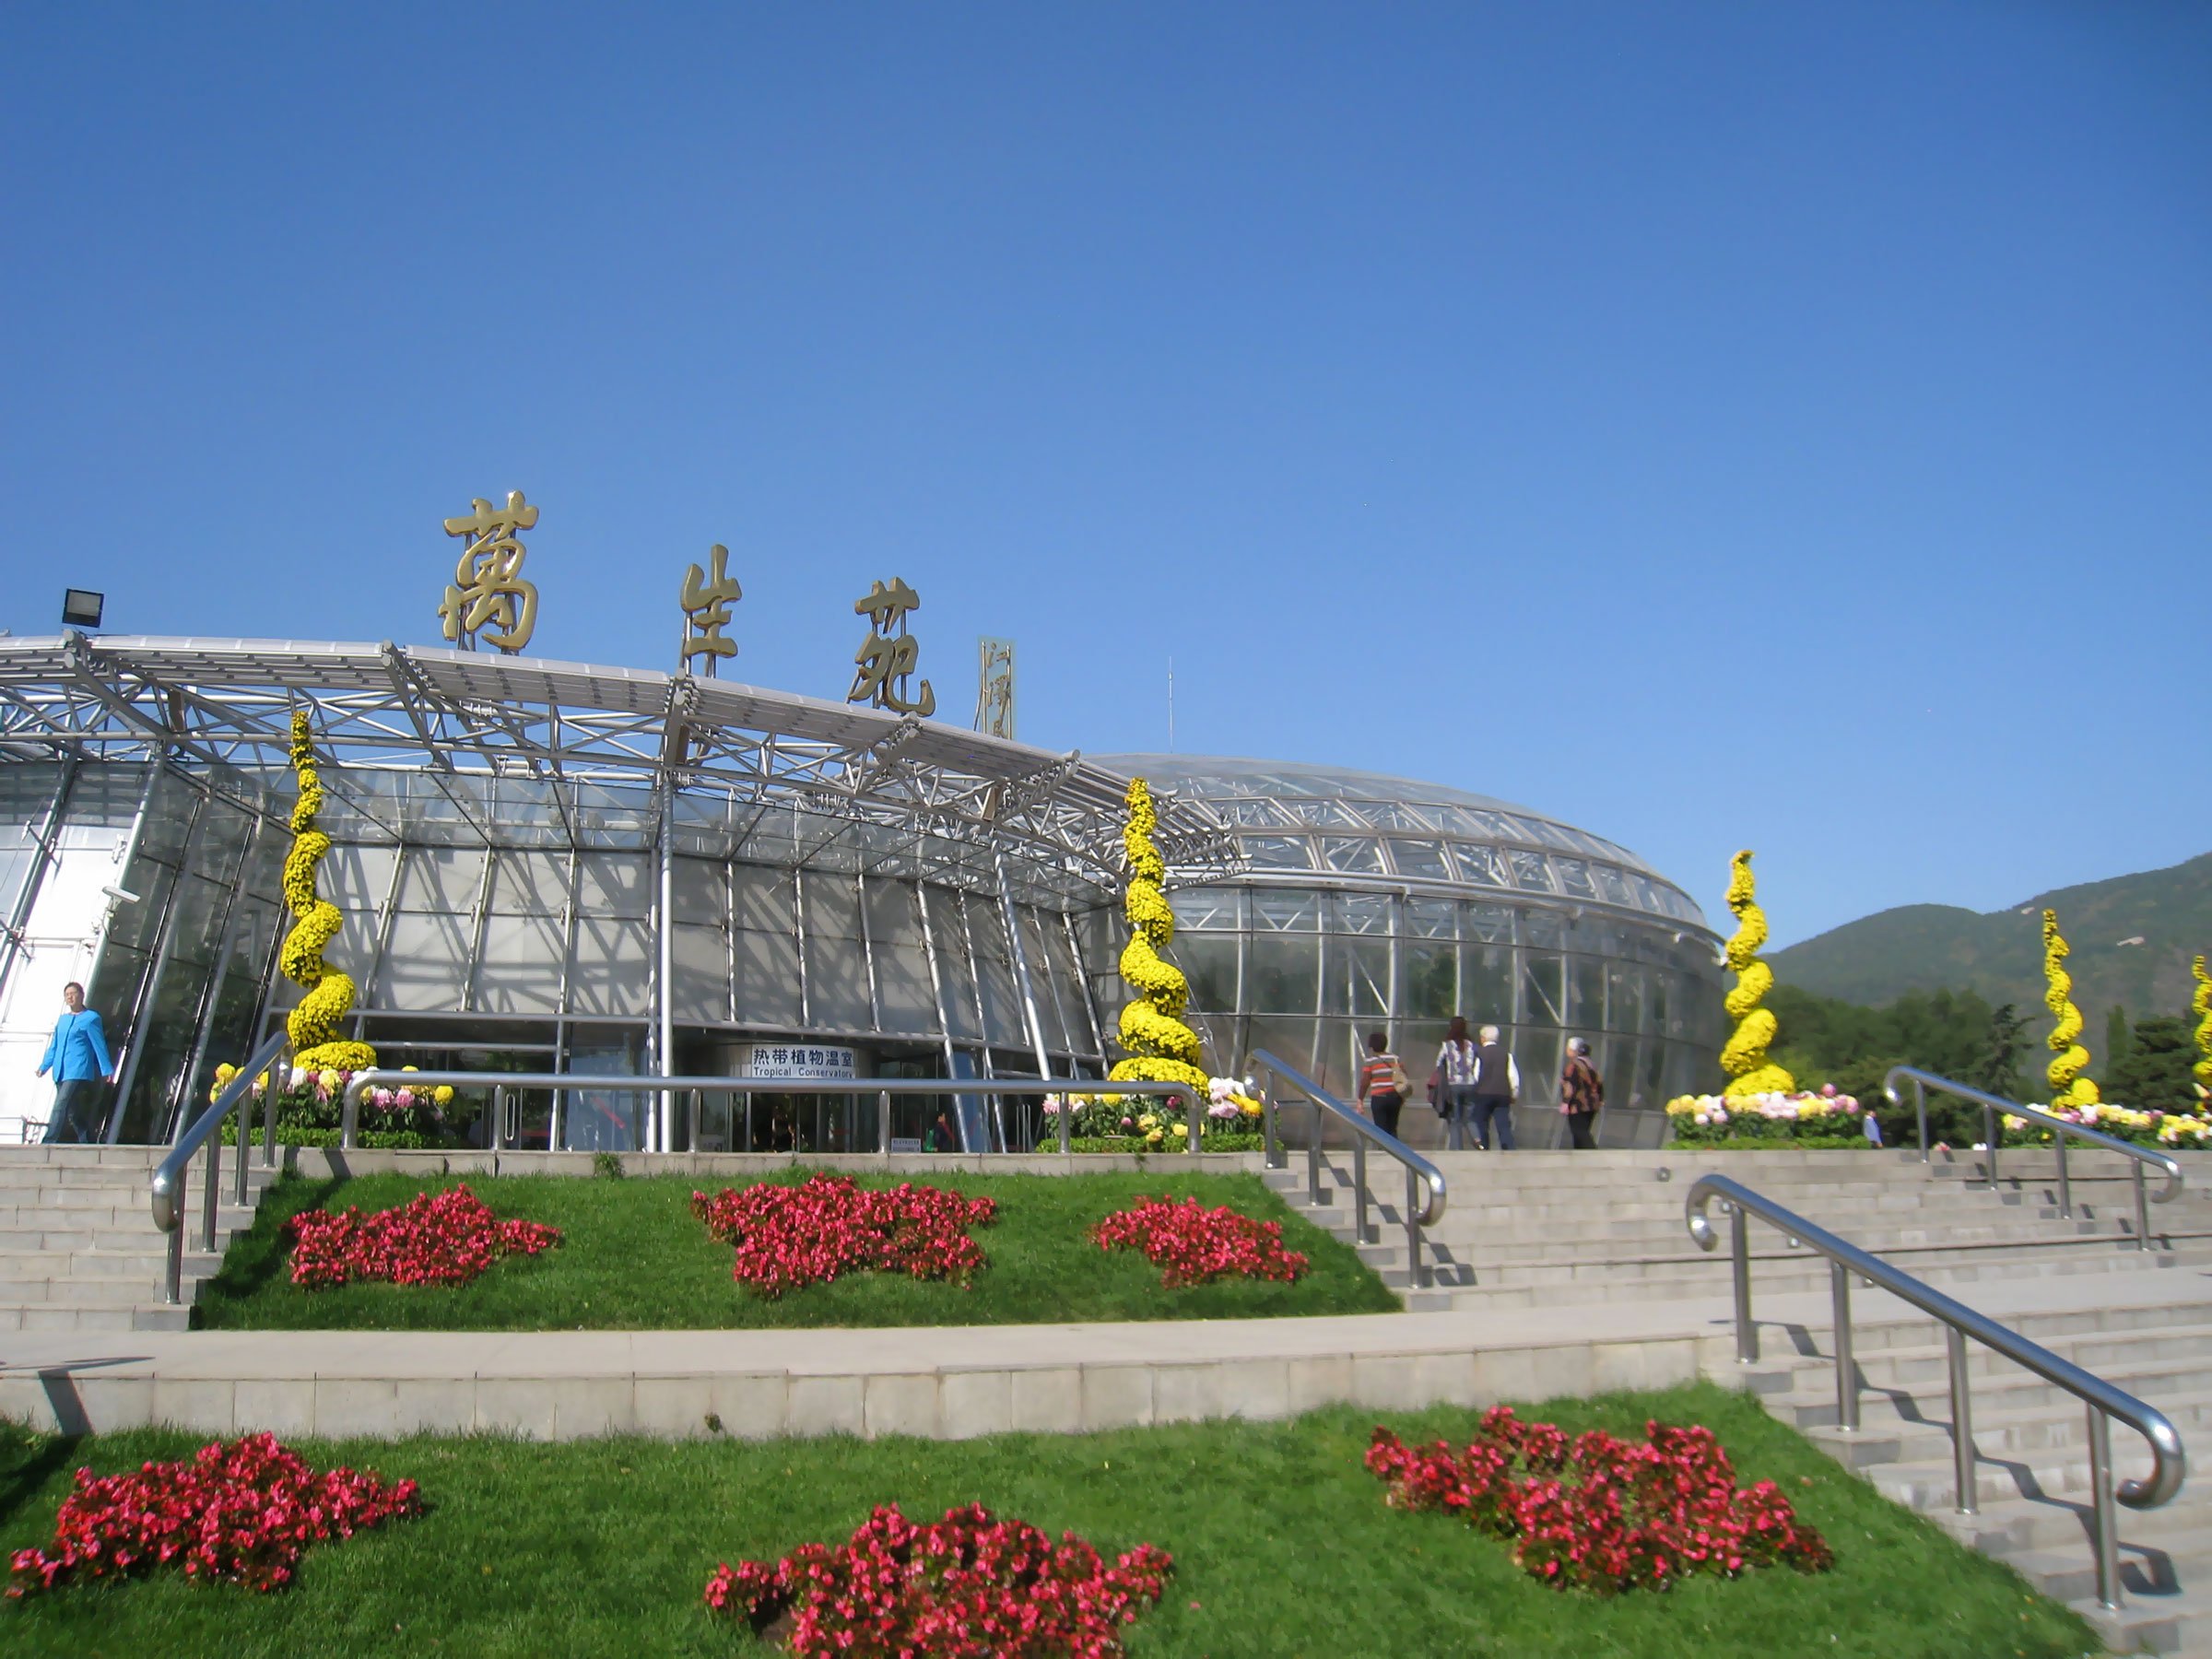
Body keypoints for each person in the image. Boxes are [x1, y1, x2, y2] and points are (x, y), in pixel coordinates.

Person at [36, 981, 114, 1145]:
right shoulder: (63, 1020)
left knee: (60, 1104)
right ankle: (87, 1140)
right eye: (67, 995)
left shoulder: (91, 1018)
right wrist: (44, 1066)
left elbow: (98, 1045)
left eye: (73, 993)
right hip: (60, 1069)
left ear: (81, 995)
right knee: (72, 1111)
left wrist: (106, 1069)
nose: (70, 997)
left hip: (78, 1069)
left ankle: (48, 1141)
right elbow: (55, 1046)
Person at [1467, 1024, 1519, 1152]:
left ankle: (1484, 1148)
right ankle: (1509, 1149)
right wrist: (1514, 1095)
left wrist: (1473, 1091)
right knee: (1503, 1125)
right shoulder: (1506, 1054)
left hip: (1483, 1093)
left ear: (1483, 1038)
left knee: (1481, 1123)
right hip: (1503, 1094)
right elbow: (1513, 1077)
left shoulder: (1480, 1053)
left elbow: (1476, 1074)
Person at [1434, 1017, 1483, 1151]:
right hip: (1470, 1084)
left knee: (1455, 1119)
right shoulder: (1471, 1045)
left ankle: (1457, 1148)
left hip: (1453, 1084)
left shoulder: (1447, 1045)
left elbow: (1438, 1064)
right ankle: (1478, 1141)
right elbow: (1478, 1063)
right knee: (1470, 1117)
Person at [1356, 1030, 1408, 1140]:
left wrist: (1360, 1100)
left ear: (1372, 1046)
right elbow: (1404, 1076)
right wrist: (1403, 1096)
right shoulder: (1395, 1059)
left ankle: (1384, 1154)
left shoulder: (1370, 1061)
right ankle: (1397, 1153)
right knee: (1392, 1128)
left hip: (1379, 1098)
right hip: (1395, 1097)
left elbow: (1365, 1082)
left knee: (1381, 1130)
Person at [1559, 1036, 1604, 1149]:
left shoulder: (1574, 1066)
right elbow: (1600, 1084)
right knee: (1583, 1130)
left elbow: (1570, 1085)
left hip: (1578, 1104)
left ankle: (1593, 1153)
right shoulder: (1592, 1066)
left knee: (1579, 1131)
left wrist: (1565, 1102)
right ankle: (1581, 1158)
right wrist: (1601, 1099)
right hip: (1592, 1105)